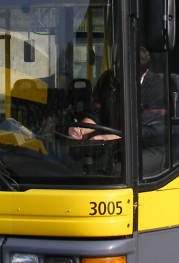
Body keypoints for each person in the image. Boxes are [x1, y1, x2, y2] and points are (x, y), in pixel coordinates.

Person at [69, 47, 167, 177]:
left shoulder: (157, 86)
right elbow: (95, 114)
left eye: (129, 75)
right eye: (120, 72)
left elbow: (152, 131)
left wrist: (114, 137)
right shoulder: (108, 79)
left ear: (144, 73)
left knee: (117, 173)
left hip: (147, 148)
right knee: (73, 168)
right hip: (112, 145)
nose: (121, 79)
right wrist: (80, 129)